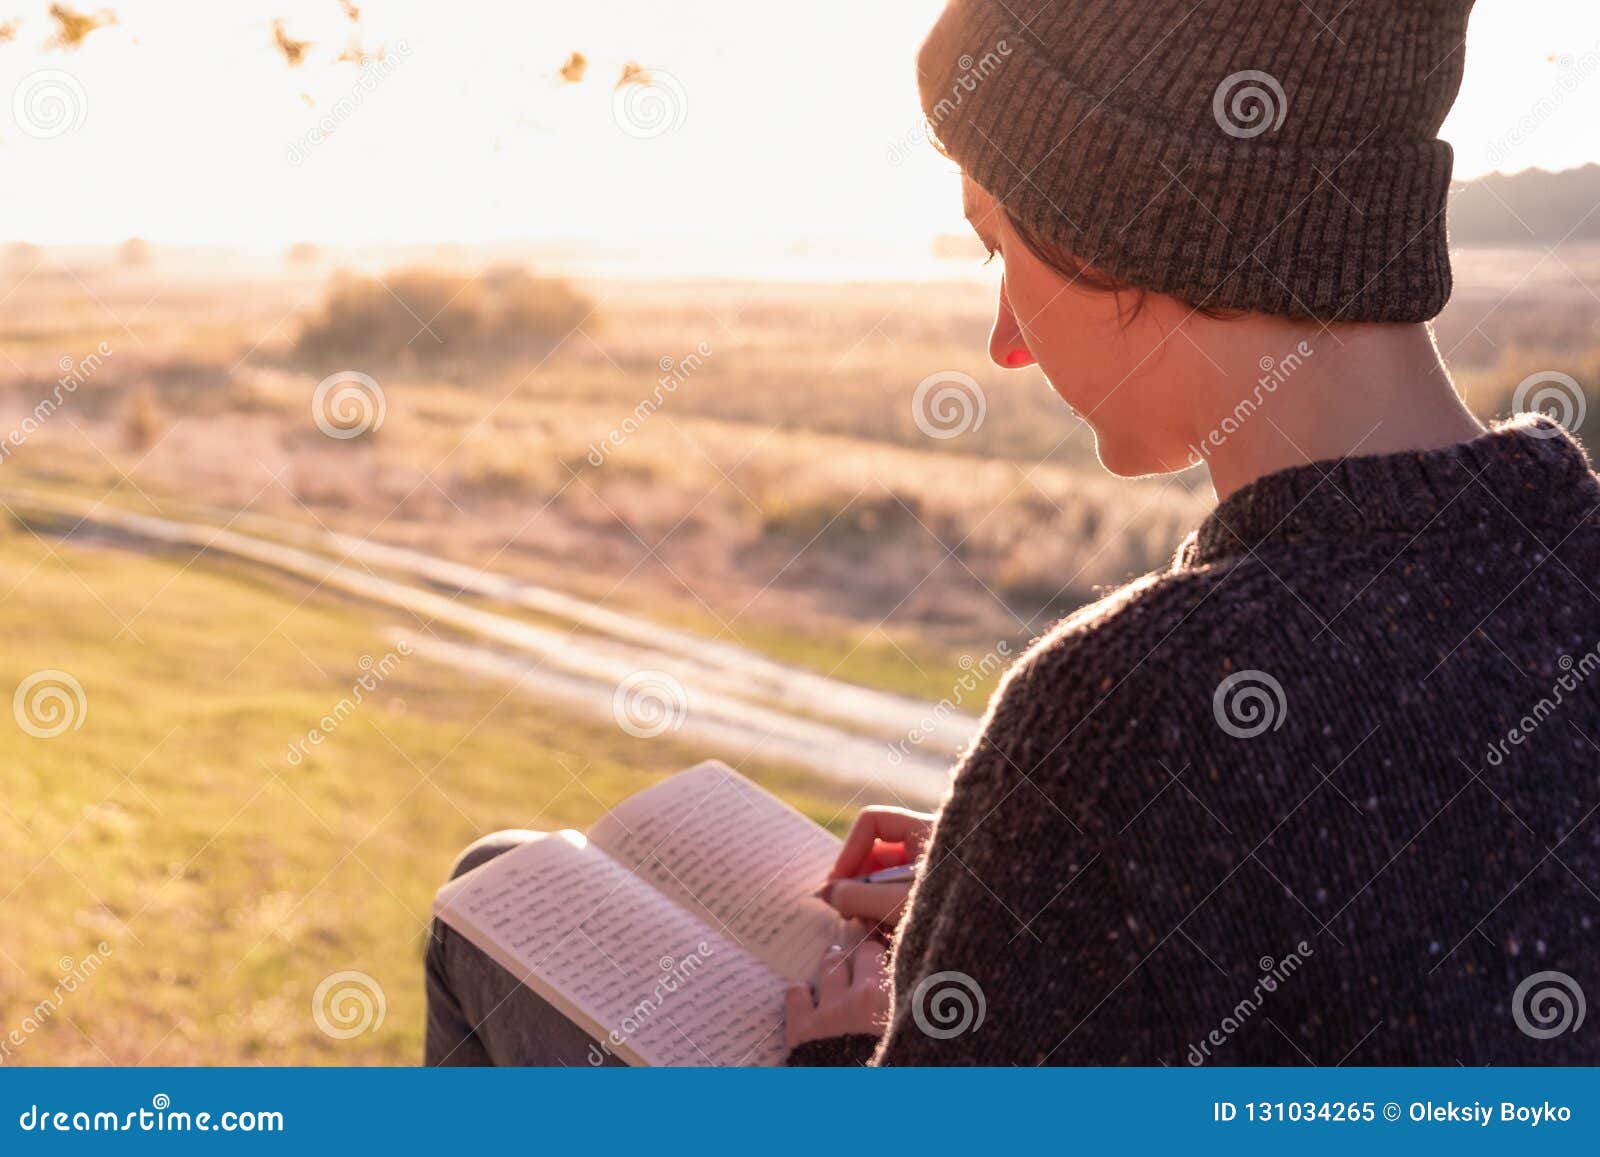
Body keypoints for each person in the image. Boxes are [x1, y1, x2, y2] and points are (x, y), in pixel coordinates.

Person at [430, 0, 1600, 1065]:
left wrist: (842, 1058)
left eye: (1001, 245)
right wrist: (1035, 911)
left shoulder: (1130, 712)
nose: (1005, 339)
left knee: (485, 902)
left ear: (1116, 233)